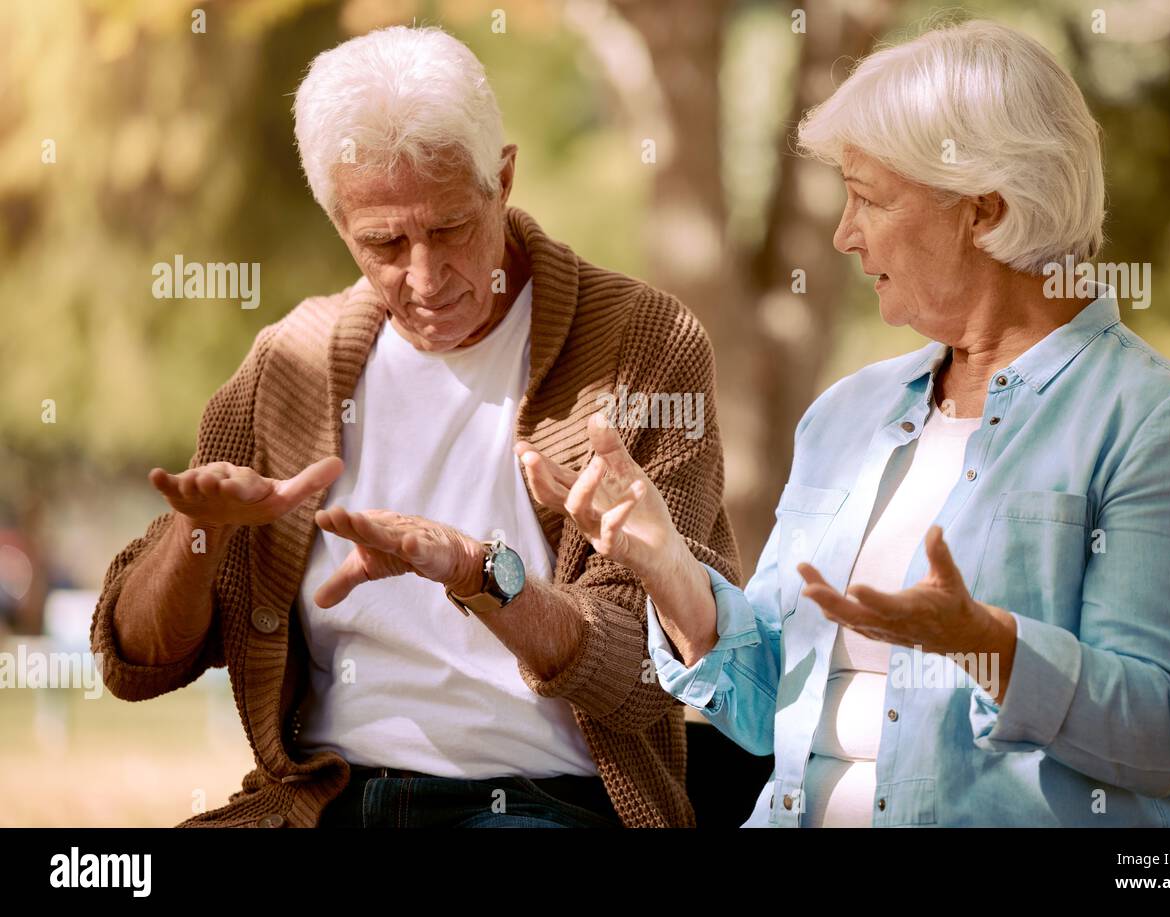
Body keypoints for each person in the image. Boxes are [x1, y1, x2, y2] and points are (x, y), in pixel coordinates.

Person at [518, 20, 1170, 827]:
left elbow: (1162, 735)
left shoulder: (1155, 421)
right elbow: (767, 708)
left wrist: (987, 643)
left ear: (984, 209)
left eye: (869, 197)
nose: (842, 233)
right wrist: (667, 568)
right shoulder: (848, 413)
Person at [91, 25, 738, 828]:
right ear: (339, 224)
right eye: (385, 243)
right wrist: (195, 535)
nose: (425, 277)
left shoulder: (642, 344)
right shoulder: (288, 364)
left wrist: (479, 575)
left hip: (542, 802)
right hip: (319, 801)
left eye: (450, 228)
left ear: (503, 177)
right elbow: (137, 662)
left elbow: (654, 669)